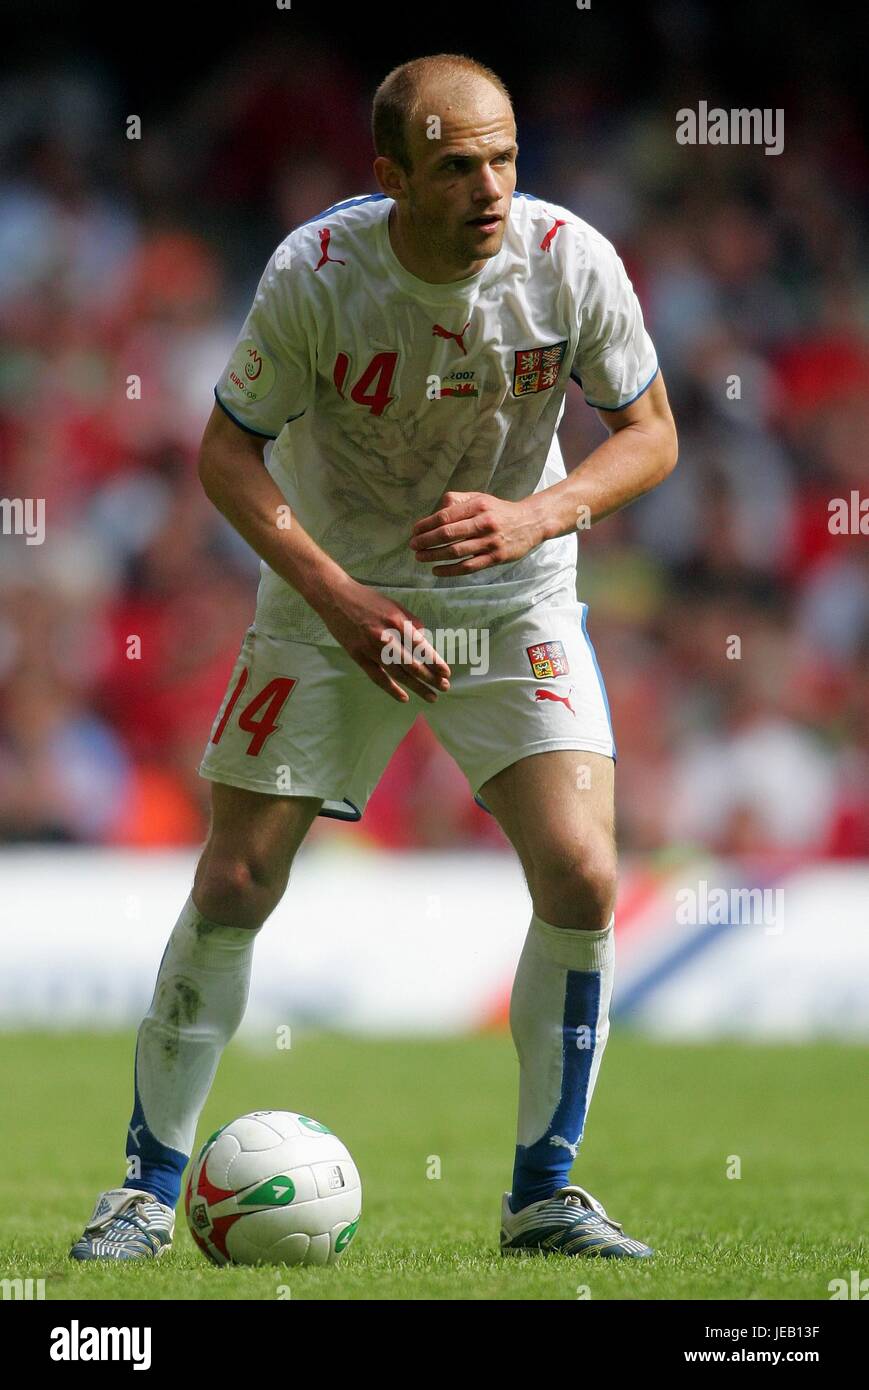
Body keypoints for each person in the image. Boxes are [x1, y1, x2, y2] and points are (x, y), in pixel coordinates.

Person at [71, 52, 677, 1262]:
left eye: (504, 156)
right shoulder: (316, 272)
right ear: (390, 174)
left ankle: (543, 1195)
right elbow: (226, 457)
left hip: (511, 596)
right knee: (236, 880)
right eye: (456, 165)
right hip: (328, 598)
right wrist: (341, 598)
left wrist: (536, 516)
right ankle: (144, 1189)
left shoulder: (569, 262)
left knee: (582, 874)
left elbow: (648, 435)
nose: (490, 186)